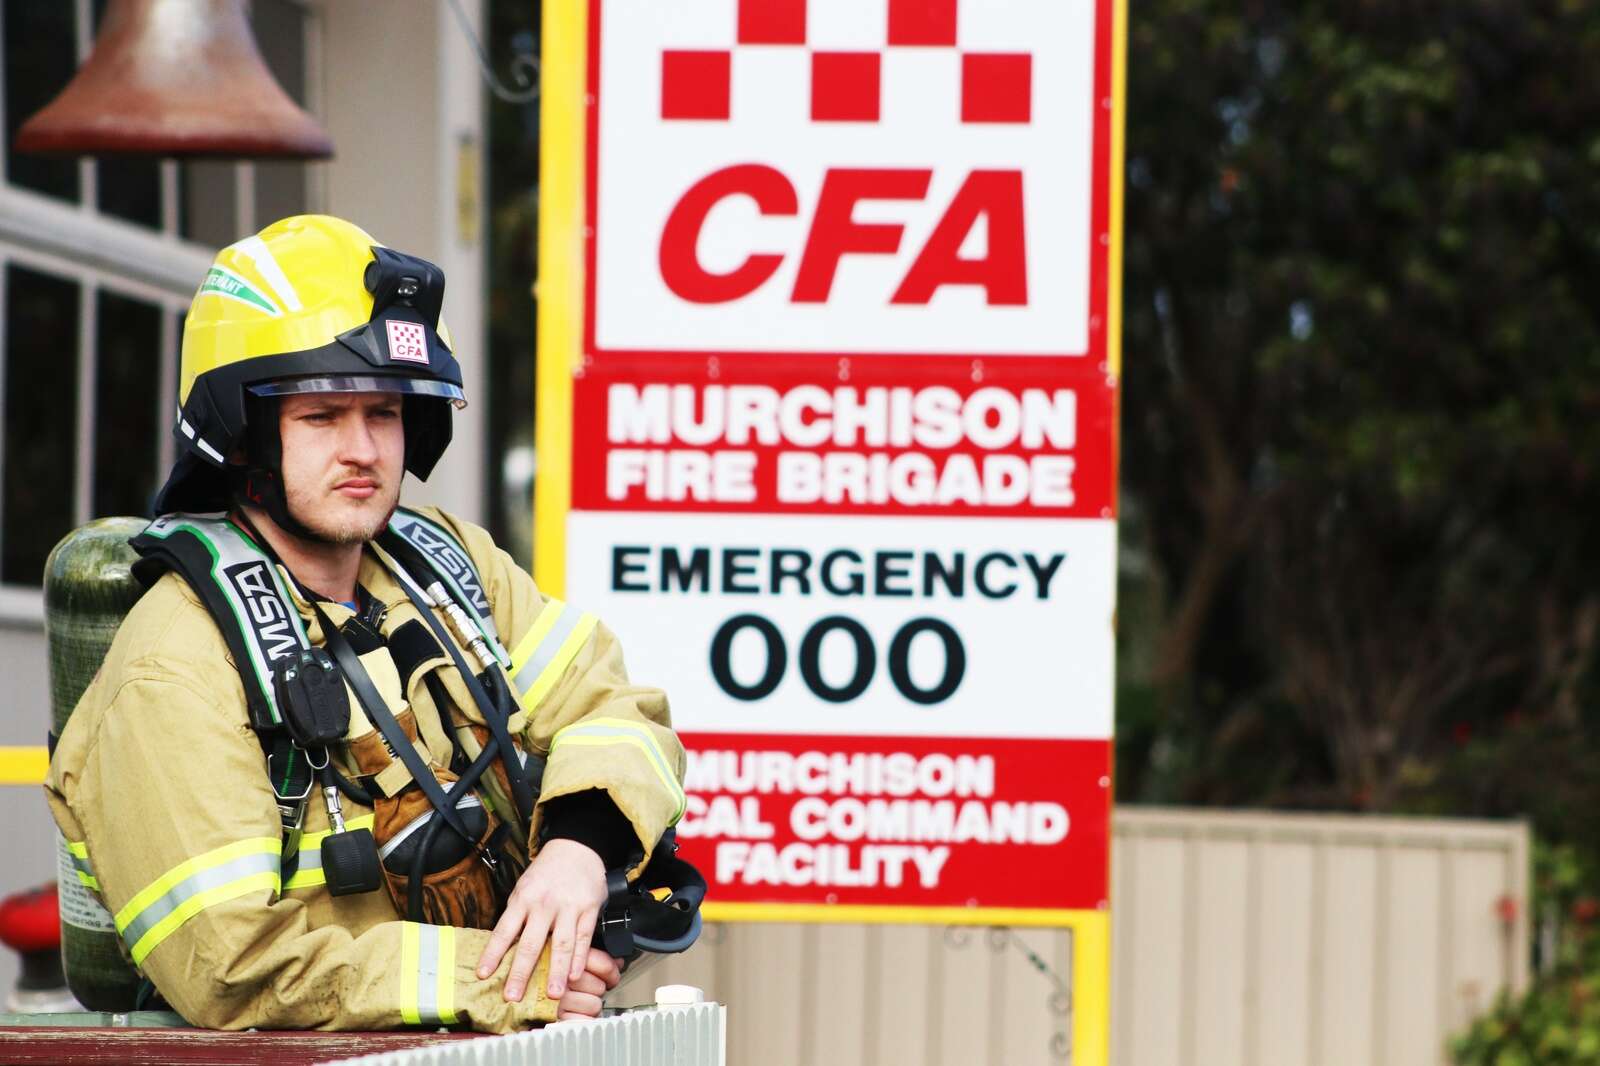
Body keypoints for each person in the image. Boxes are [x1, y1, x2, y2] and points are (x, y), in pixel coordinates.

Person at [44, 215, 691, 1032]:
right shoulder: (174, 664)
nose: (364, 450)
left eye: (383, 412)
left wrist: (577, 851)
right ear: (241, 434)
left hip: (508, 1034)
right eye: (321, 416)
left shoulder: (453, 565)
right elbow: (230, 965)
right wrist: (506, 977)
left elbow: (617, 710)